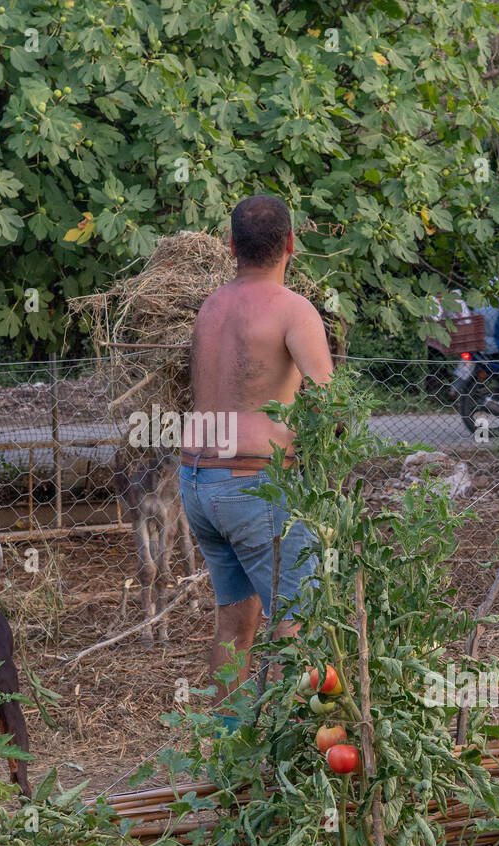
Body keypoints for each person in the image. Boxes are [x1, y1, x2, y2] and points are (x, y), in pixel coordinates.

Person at [179, 195, 334, 698]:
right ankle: (305, 756)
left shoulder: (211, 306)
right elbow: (326, 400)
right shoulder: (295, 310)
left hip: (198, 480)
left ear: (231, 247)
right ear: (291, 244)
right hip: (253, 484)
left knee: (235, 627)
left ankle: (230, 755)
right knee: (296, 622)